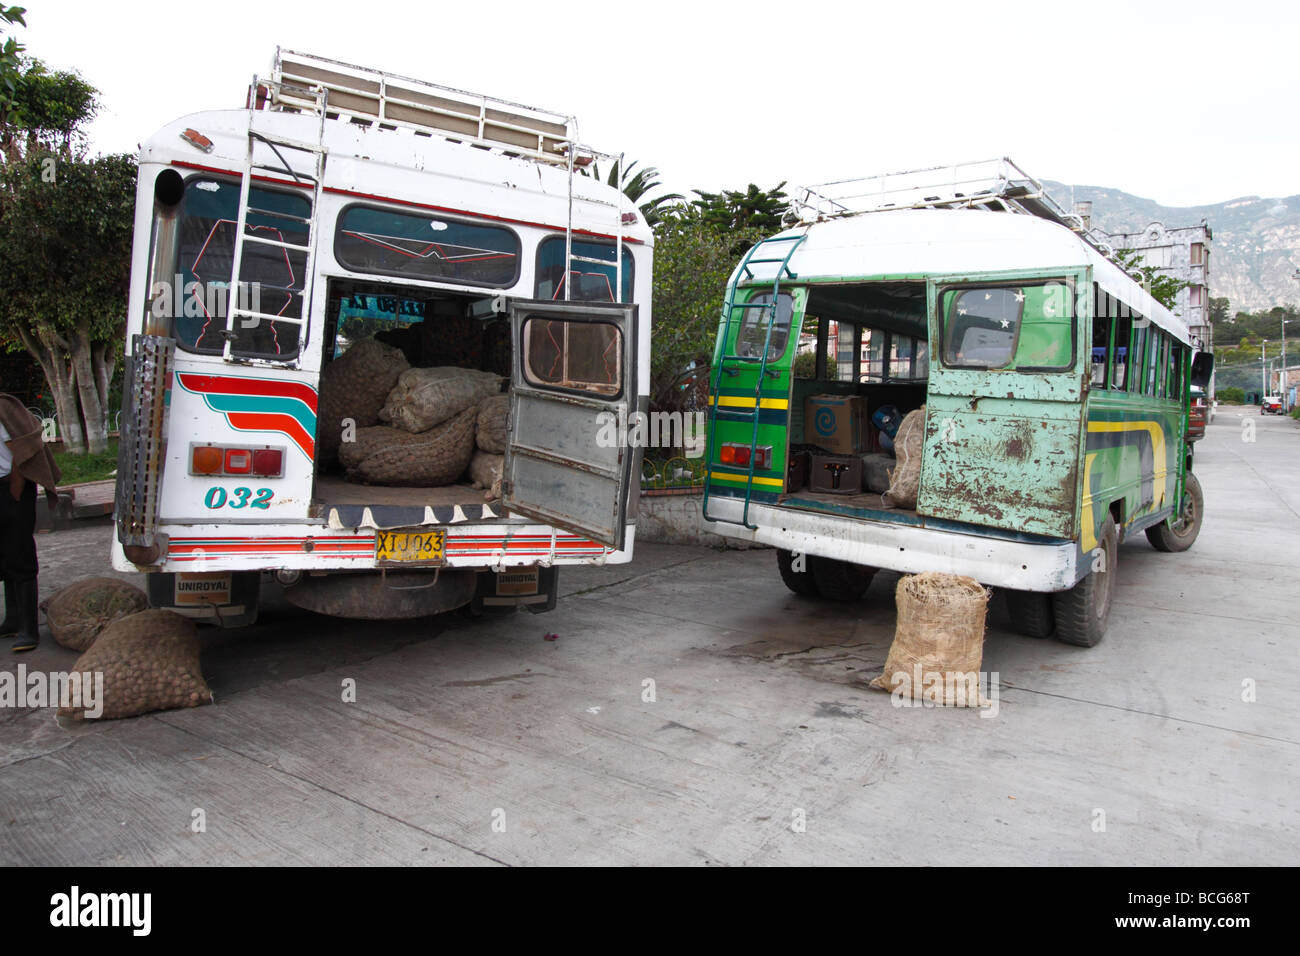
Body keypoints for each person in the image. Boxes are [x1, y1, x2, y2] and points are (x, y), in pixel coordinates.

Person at [0, 394, 61, 652]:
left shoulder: (6, 407)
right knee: (3, 556)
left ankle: (29, 629)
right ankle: (13, 620)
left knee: (20, 553)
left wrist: (16, 486)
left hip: (12, 487)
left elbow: (24, 444)